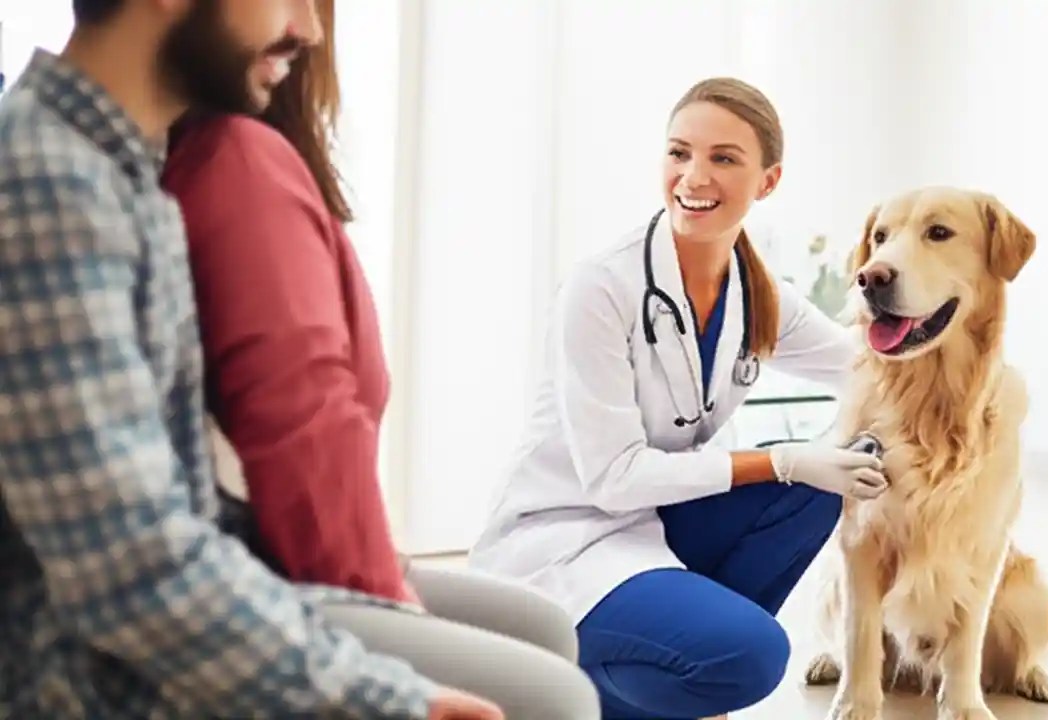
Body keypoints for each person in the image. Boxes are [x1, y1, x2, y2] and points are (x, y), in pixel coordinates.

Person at [0, 1, 495, 718]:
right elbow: (127, 565)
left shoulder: (124, 172)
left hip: (143, 656)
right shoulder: (48, 184)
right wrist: (383, 695)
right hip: (97, 690)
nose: (309, 30)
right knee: (551, 699)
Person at [157, 2, 600, 717]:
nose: (312, 28)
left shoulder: (249, 162)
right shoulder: (239, 162)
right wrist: (395, 621)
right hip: (256, 563)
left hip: (264, 540)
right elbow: (304, 435)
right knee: (558, 697)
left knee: (545, 627)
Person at [468, 76, 889, 719]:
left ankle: (668, 666)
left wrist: (957, 348)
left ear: (767, 181)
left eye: (724, 158)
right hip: (563, 540)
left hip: (655, 522)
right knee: (752, 655)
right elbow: (613, 479)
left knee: (817, 489)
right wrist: (779, 459)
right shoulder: (602, 287)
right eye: (679, 152)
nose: (694, 176)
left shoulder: (757, 294)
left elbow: (867, 369)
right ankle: (562, 680)